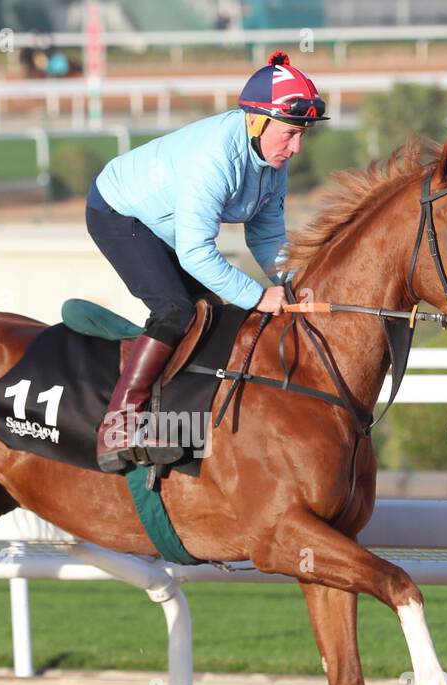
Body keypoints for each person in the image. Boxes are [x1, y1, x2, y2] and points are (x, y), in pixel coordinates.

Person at [85, 50, 329, 471]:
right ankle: (118, 427)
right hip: (118, 212)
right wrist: (257, 297)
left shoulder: (273, 160)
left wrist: (293, 284)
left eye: (302, 134)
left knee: (213, 315)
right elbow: (196, 252)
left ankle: (177, 423)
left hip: (167, 226)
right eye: (290, 133)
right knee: (176, 310)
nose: (296, 147)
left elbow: (267, 234)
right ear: (256, 120)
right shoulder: (214, 159)